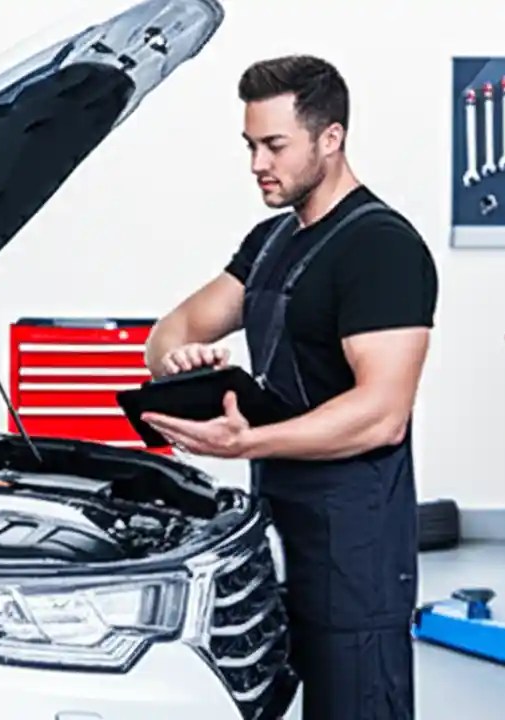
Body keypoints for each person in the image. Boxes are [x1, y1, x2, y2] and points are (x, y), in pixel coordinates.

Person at [140, 55, 437, 720]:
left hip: (355, 543)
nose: (256, 163)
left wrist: (249, 441)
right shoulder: (273, 239)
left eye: (274, 145)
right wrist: (180, 359)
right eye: (250, 145)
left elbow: (382, 413)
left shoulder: (381, 248)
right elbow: (172, 328)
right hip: (278, 524)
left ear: (330, 139)